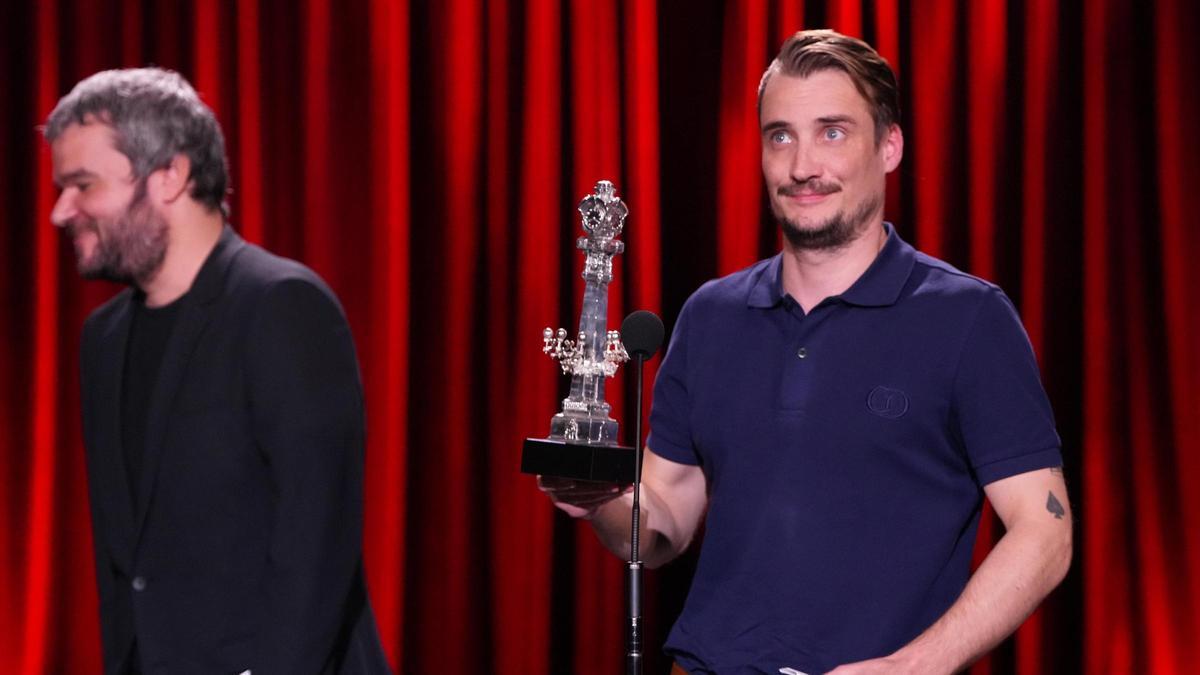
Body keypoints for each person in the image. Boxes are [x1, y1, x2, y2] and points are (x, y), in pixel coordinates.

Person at [541, 30, 1072, 674]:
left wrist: (913, 666)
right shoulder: (712, 316)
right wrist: (599, 498)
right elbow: (663, 527)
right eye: (781, 136)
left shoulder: (969, 318)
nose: (802, 167)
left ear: (891, 146)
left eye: (833, 132)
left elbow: (1045, 533)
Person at [45, 68, 391, 675]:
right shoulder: (102, 340)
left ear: (170, 175)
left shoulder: (282, 306)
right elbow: (126, 568)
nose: (60, 210)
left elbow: (316, 546)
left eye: (82, 184)